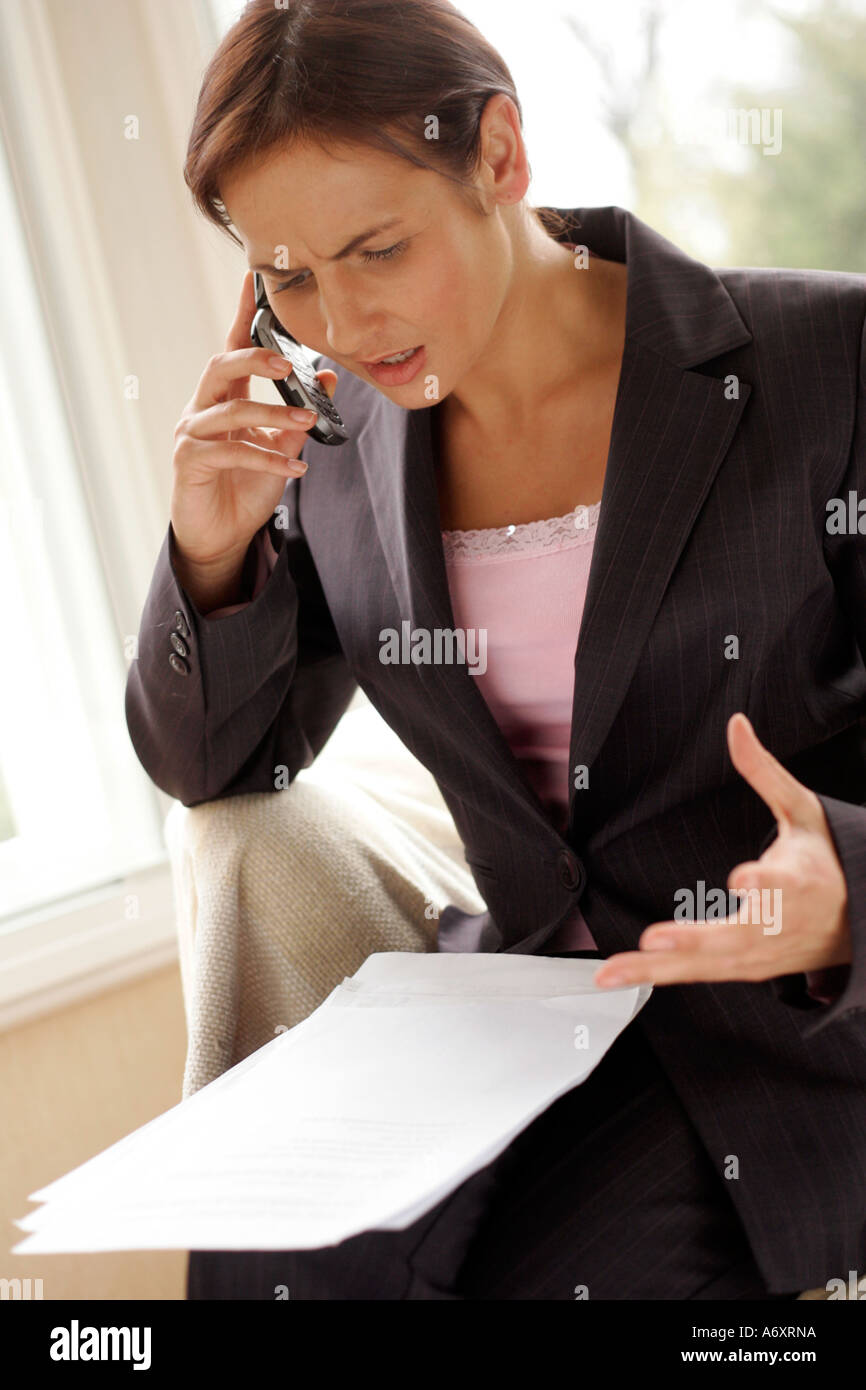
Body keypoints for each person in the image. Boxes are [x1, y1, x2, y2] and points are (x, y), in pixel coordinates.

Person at [125, 0, 866, 1299]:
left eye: (377, 248)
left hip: (780, 1027)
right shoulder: (335, 453)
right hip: (514, 1021)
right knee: (266, 1268)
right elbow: (212, 763)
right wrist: (210, 549)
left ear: (500, 154)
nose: (342, 320)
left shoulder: (823, 359)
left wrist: (846, 882)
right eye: (288, 274)